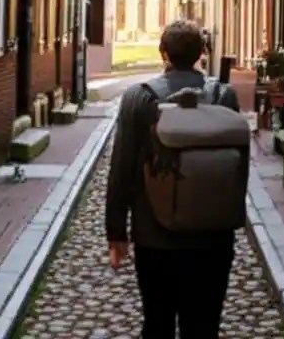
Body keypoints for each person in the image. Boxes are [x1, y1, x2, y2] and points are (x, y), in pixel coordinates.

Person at [105, 20, 242, 338]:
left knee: (157, 322)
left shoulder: (138, 98)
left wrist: (116, 232)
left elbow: (122, 167)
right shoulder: (224, 97)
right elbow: (238, 169)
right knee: (204, 327)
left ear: (162, 53)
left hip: (155, 237)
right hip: (213, 238)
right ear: (200, 55)